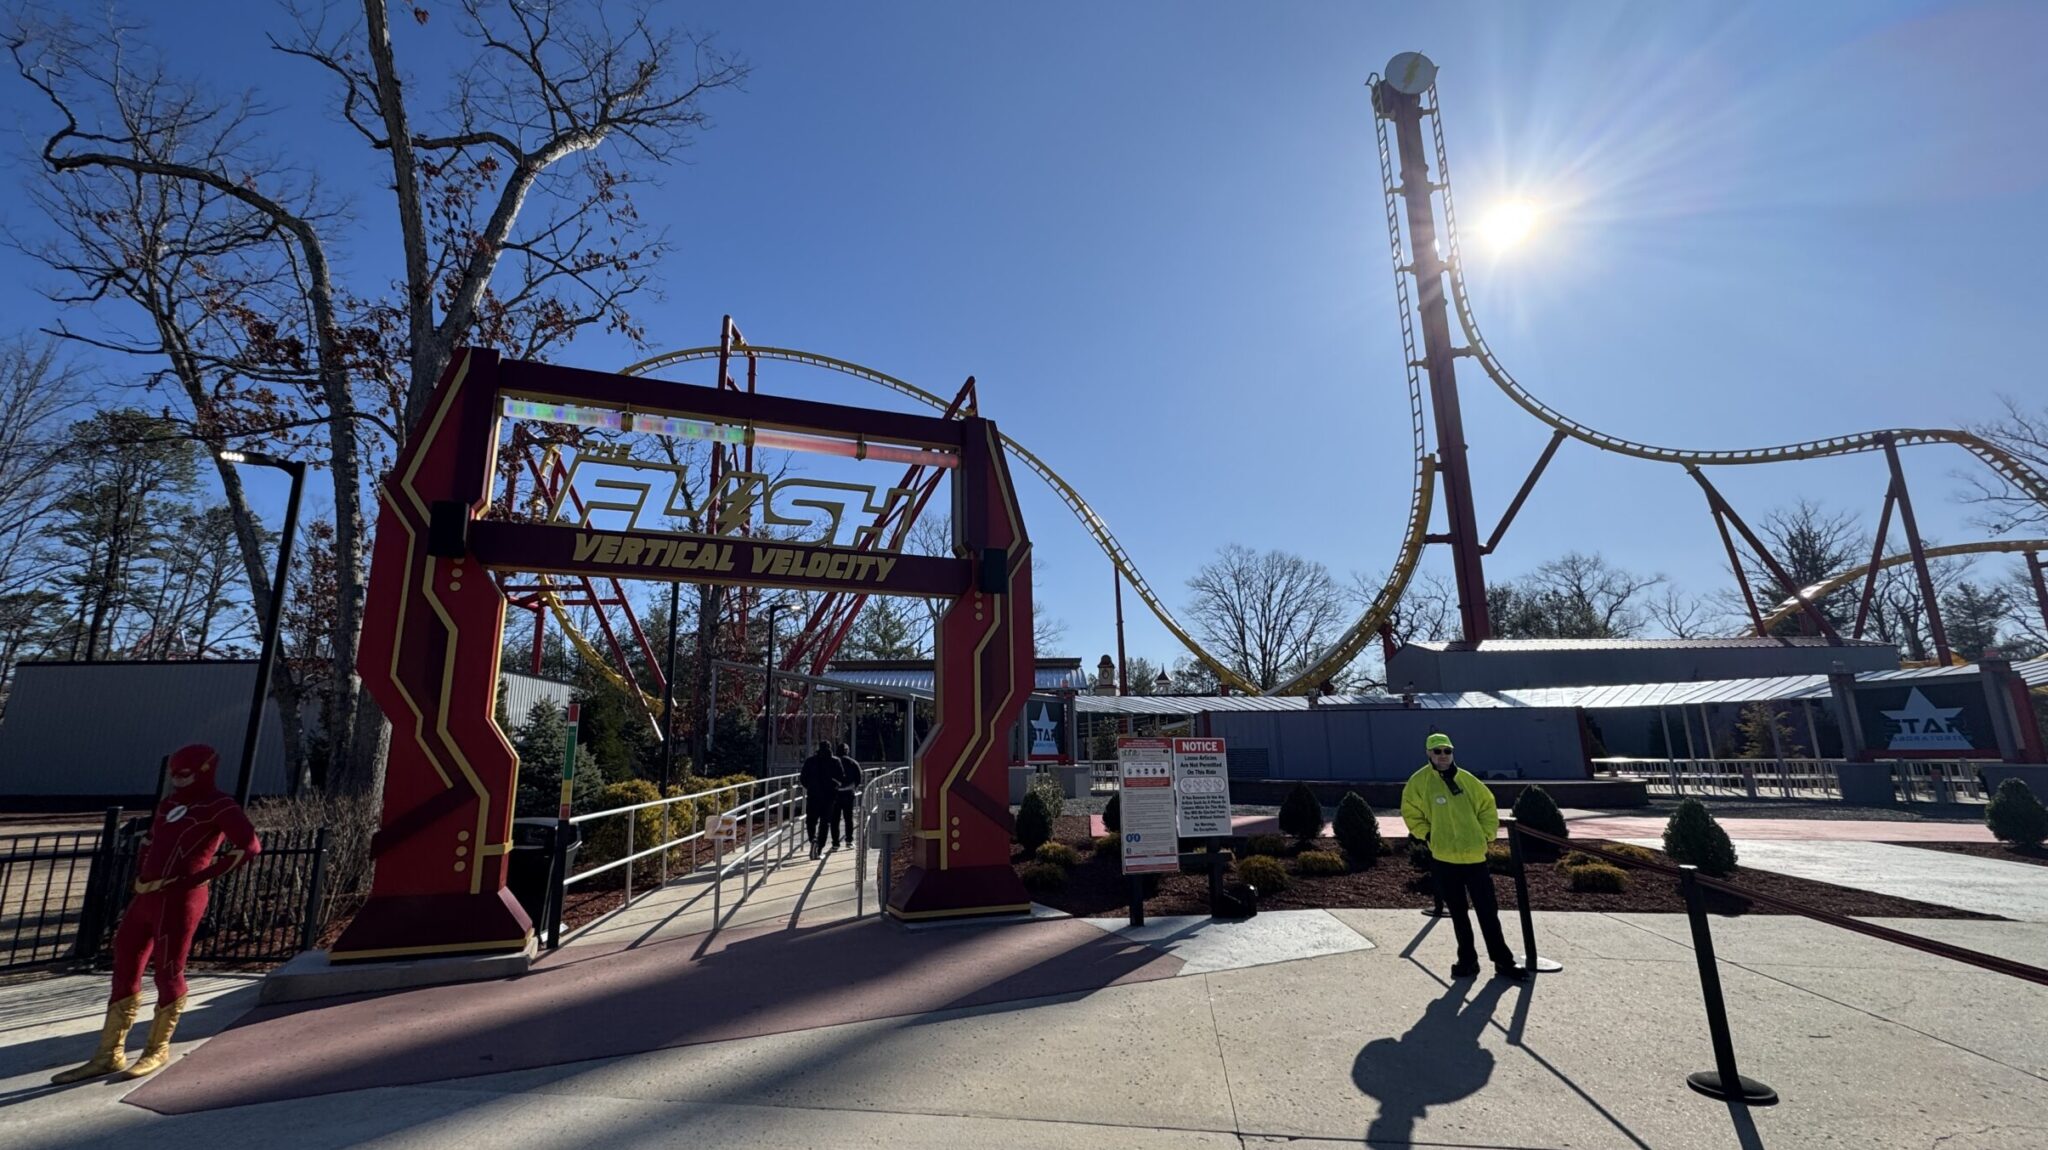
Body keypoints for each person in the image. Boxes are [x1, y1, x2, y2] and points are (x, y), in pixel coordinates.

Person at [52, 744, 262, 1084]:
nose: (178, 780)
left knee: (168, 971)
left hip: (180, 900)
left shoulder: (219, 805)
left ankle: (156, 1048)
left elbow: (249, 846)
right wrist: (141, 872)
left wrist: (198, 878)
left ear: (205, 770)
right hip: (147, 896)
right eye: (174, 774)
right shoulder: (171, 804)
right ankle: (109, 1052)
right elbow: (151, 841)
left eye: (185, 774)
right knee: (124, 967)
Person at [1401, 733, 1524, 982]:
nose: (1443, 756)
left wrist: (1486, 836)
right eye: (1437, 751)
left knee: (1488, 912)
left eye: (1447, 751)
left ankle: (1503, 960)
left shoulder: (1468, 780)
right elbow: (1410, 811)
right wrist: (1428, 834)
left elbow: (1487, 807)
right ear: (1428, 754)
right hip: (1444, 858)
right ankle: (1467, 960)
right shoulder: (1419, 782)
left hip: (1474, 859)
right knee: (1458, 913)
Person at [800, 741, 840, 859]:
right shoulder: (835, 761)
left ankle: (813, 838)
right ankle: (819, 849)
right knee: (825, 823)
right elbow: (841, 778)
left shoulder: (810, 761)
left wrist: (810, 787)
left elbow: (803, 778)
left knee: (811, 820)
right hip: (829, 796)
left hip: (813, 795)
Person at [833, 742, 862, 849]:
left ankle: (835, 843)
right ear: (847, 751)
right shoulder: (853, 763)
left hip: (835, 794)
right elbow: (858, 778)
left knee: (834, 819)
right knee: (848, 818)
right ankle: (849, 840)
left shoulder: (833, 762)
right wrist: (851, 787)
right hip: (848, 794)